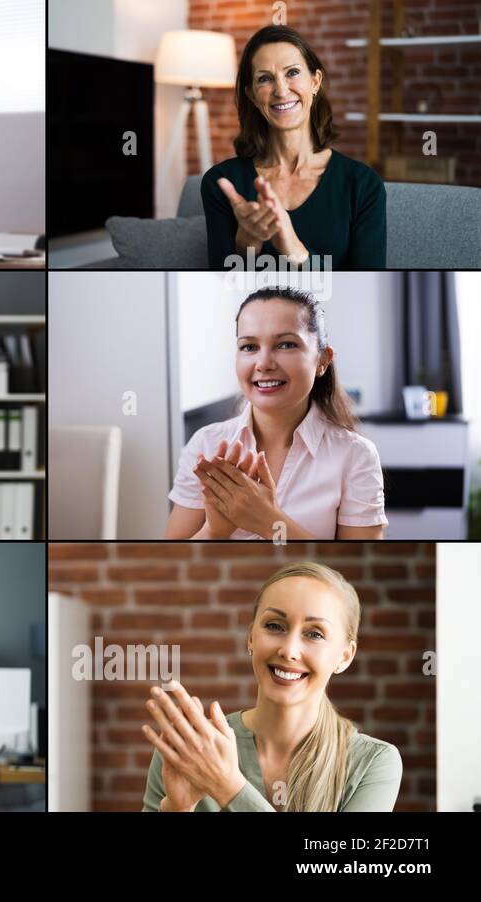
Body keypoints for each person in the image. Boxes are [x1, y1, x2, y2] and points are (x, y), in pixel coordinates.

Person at [142, 562, 402, 811]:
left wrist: (228, 786)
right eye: (274, 626)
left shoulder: (374, 763)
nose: (289, 650)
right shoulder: (189, 749)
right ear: (251, 638)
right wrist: (178, 809)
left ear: (344, 657)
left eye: (314, 634)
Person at [164, 286, 386, 540]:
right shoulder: (206, 444)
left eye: (286, 344)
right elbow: (169, 560)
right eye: (249, 347)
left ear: (323, 360)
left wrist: (270, 522)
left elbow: (359, 564)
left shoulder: (355, 455)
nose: (264, 364)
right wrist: (213, 531)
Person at [202, 25, 385, 269]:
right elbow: (220, 285)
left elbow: (365, 288)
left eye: (292, 72)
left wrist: (296, 251)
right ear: (252, 96)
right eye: (265, 78)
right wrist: (247, 243)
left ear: (315, 81)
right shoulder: (222, 183)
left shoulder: (363, 185)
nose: (281, 90)